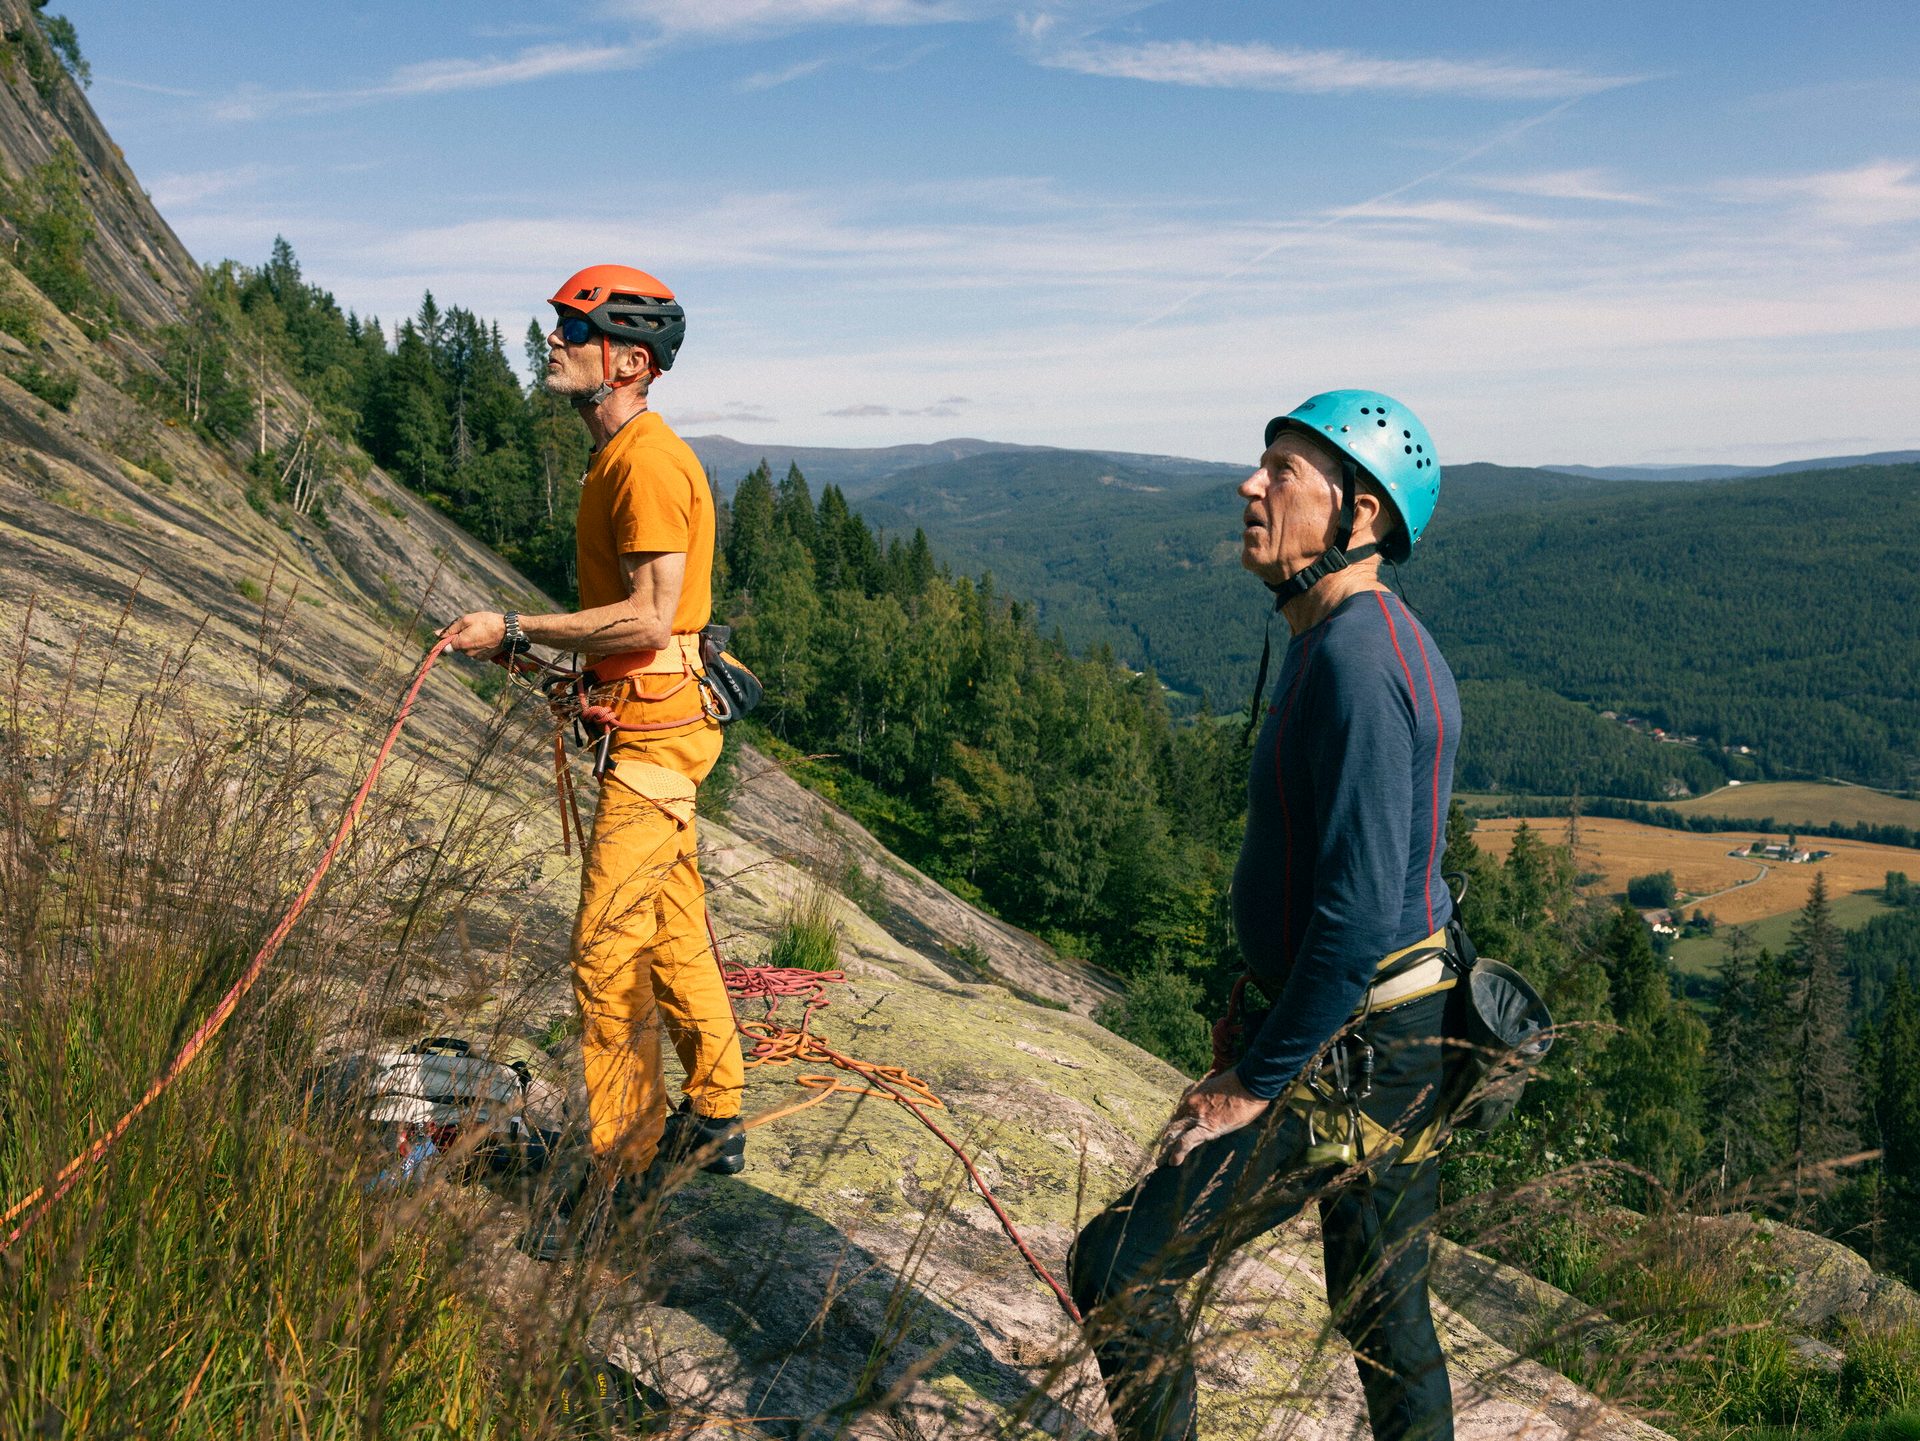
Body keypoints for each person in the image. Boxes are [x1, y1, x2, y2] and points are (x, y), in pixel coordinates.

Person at [1069, 390, 1462, 1441]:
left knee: (1118, 1266)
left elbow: (1356, 918)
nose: (1251, 483)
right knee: (1384, 1311)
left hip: (1354, 1040)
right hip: (1384, 1034)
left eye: (1283, 471)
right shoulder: (1339, 638)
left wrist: (1250, 1083)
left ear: (1361, 517)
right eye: (1262, 463)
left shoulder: (1360, 662)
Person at [439, 265, 746, 1256]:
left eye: (574, 329)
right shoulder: (622, 456)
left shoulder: (645, 464)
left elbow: (652, 614)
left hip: (655, 737)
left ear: (630, 359)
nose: (554, 342)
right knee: (668, 923)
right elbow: (648, 624)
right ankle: (715, 1108)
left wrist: (519, 626)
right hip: (650, 721)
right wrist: (545, 657)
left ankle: (618, 1174)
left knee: (606, 952)